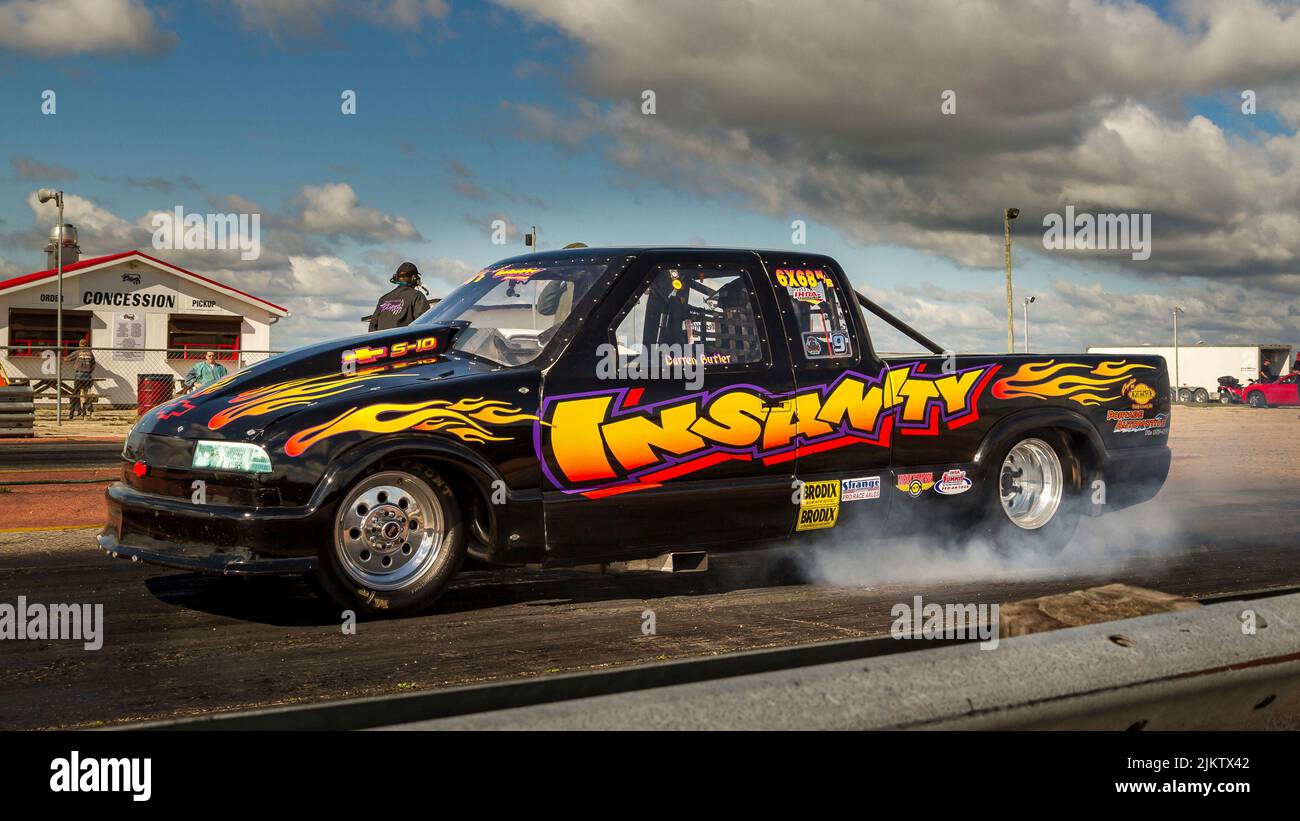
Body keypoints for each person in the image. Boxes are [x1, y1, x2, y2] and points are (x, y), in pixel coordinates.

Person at [367, 262, 430, 331]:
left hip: (383, 341)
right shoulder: (417, 296)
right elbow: (425, 324)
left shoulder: (383, 299)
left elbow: (372, 328)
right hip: (404, 341)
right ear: (414, 278)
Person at [64, 338, 96, 419]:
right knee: (86, 394)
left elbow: (66, 359)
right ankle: (89, 412)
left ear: (79, 344)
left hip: (79, 375)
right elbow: (93, 364)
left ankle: (75, 412)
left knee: (76, 394)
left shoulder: (77, 352)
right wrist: (89, 371)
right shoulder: (90, 353)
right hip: (88, 376)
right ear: (87, 344)